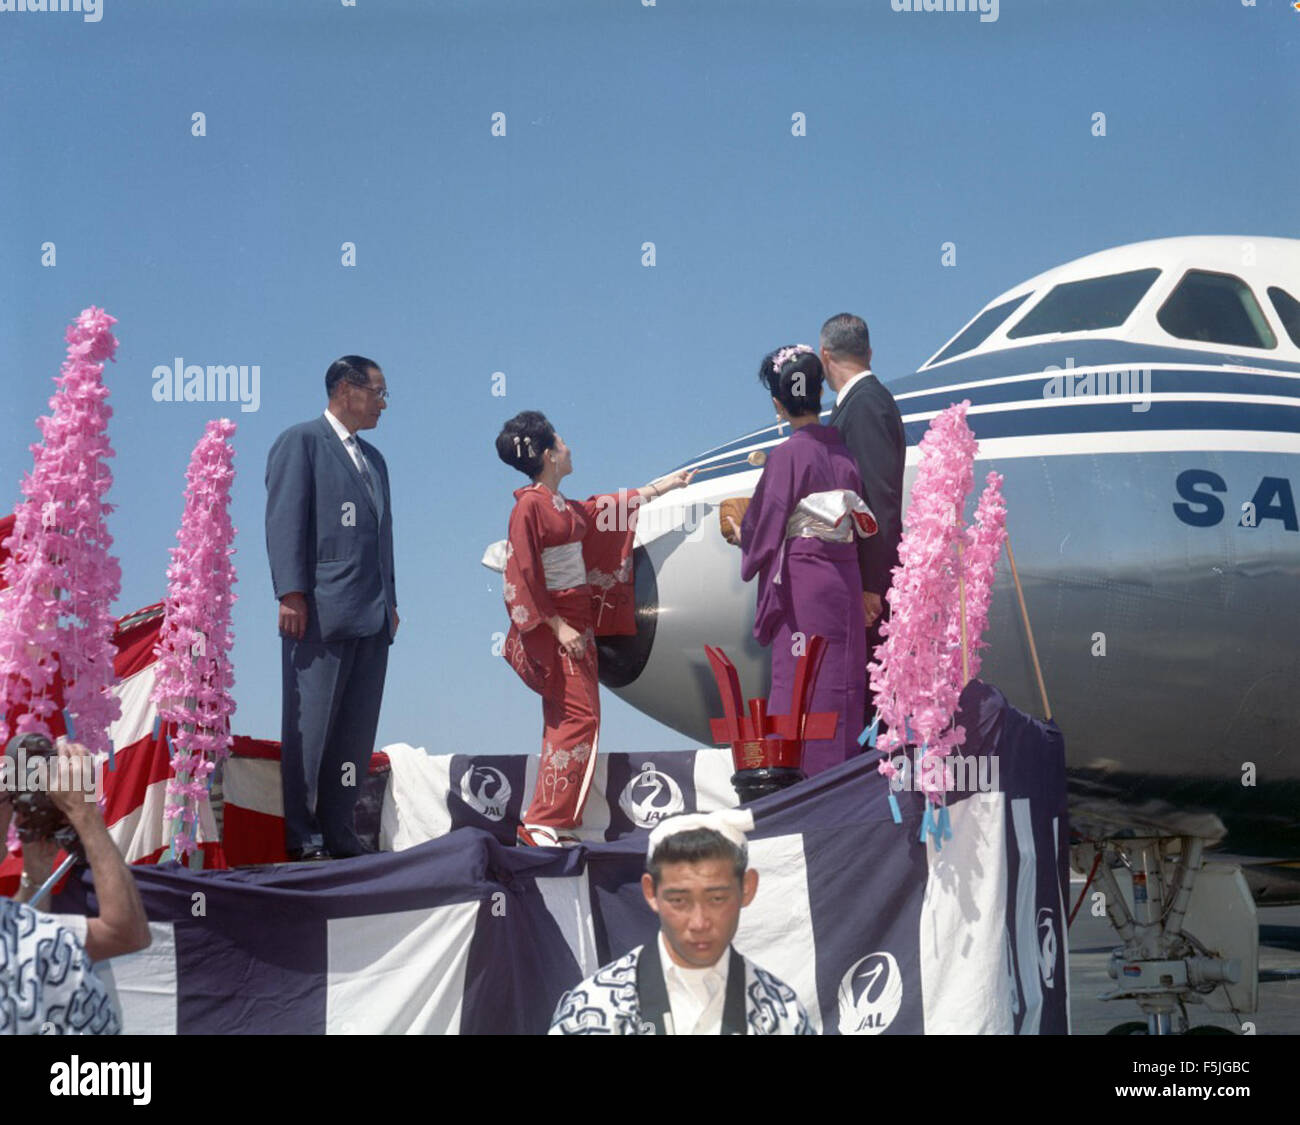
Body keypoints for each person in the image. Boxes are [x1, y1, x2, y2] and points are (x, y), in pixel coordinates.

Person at [496, 411, 692, 847]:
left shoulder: (559, 505)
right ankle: (543, 820)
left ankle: (554, 821)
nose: (569, 448)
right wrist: (555, 623)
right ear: (548, 455)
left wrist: (664, 487)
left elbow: (605, 508)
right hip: (558, 625)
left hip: (576, 621)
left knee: (574, 717)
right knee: (576, 717)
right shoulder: (528, 507)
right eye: (562, 443)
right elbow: (522, 573)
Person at [265, 355, 398, 861]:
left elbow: (382, 539)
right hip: (319, 610)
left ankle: (340, 831)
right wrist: (291, 593)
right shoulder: (300, 442)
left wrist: (392, 600)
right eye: (379, 392)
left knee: (354, 733)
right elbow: (284, 519)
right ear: (347, 389)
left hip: (374, 615)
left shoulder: (377, 461)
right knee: (312, 730)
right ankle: (304, 837)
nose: (384, 404)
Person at [724, 345, 877, 775]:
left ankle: (803, 784)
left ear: (778, 404)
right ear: (818, 391)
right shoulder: (843, 452)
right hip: (843, 576)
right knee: (841, 680)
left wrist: (741, 535)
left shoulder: (789, 455)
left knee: (801, 681)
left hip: (804, 580)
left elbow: (764, 527)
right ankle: (842, 776)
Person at [548, 811, 813, 1034]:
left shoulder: (780, 1011)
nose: (699, 922)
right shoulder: (596, 1007)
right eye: (679, 901)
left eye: (717, 899)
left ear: (747, 888)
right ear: (651, 892)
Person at [0, 738, 151, 1034]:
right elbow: (125, 933)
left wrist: (35, 877)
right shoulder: (42, 942)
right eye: (6, 797)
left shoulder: (24, 935)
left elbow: (19, 935)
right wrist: (84, 814)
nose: (13, 810)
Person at [821, 313, 906, 701]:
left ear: (825, 357)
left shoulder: (865, 405)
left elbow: (878, 498)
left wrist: (873, 585)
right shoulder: (860, 403)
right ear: (869, 352)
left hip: (868, 590)